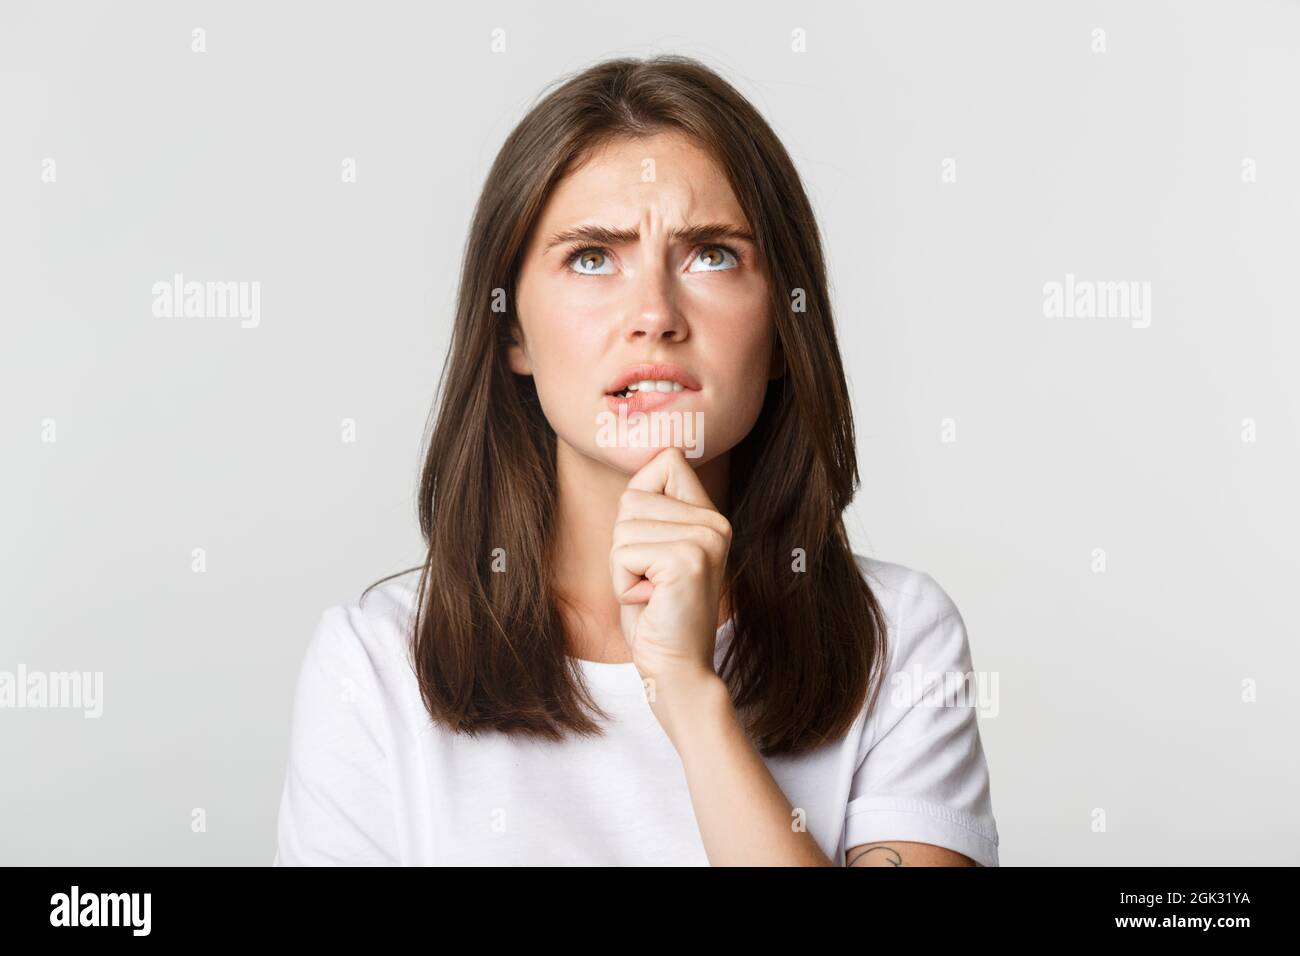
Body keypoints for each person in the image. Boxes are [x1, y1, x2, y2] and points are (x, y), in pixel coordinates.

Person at [273, 54, 1000, 867]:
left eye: (712, 255)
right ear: (512, 330)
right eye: (592, 257)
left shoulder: (896, 637)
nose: (654, 314)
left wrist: (688, 696)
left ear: (784, 331)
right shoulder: (373, 663)